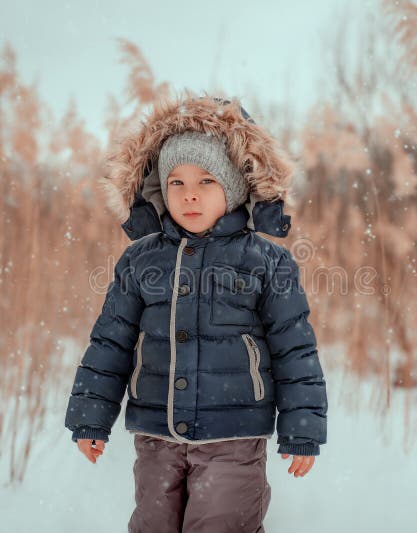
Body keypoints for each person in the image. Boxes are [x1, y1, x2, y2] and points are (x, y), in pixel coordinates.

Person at [64, 91, 328, 533]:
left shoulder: (266, 261)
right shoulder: (140, 260)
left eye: (207, 181)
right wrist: (91, 417)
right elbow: (110, 342)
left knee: (222, 524)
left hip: (234, 435)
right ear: (159, 190)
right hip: (157, 435)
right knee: (152, 524)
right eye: (176, 183)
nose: (189, 196)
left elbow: (294, 348)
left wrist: (302, 426)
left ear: (236, 186)